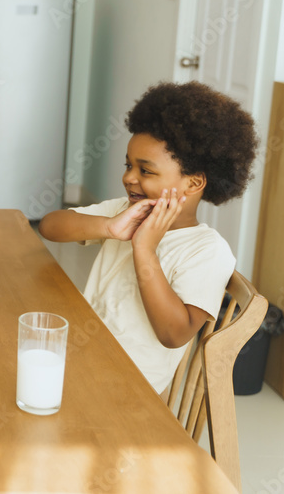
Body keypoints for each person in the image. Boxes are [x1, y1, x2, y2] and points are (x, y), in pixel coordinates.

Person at [38, 81, 258, 394]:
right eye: (129, 165)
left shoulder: (207, 252)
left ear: (193, 183)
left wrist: (145, 249)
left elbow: (174, 334)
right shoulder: (123, 211)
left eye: (146, 171)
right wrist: (108, 227)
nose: (129, 178)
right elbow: (50, 226)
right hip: (80, 361)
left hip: (125, 389)